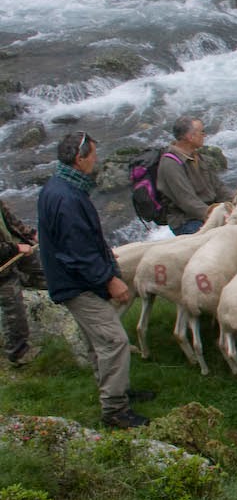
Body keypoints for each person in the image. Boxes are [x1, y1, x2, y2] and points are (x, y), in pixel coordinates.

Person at [37, 132, 156, 429]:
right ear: (80, 159)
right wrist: (109, 281)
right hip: (77, 284)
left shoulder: (63, 187)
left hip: (73, 279)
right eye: (93, 155)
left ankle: (118, 388)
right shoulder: (66, 198)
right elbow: (77, 251)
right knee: (113, 341)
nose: (97, 161)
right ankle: (115, 410)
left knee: (98, 341)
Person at [157, 115, 230, 236]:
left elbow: (219, 188)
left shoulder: (197, 156)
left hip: (208, 212)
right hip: (187, 221)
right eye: (202, 132)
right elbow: (187, 201)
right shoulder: (170, 164)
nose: (204, 135)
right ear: (190, 137)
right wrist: (216, 215)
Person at [0, 198, 41, 366]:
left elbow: (10, 220)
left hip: (15, 250)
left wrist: (30, 234)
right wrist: (15, 249)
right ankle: (18, 353)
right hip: (3, 266)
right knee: (13, 307)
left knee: (45, 272)